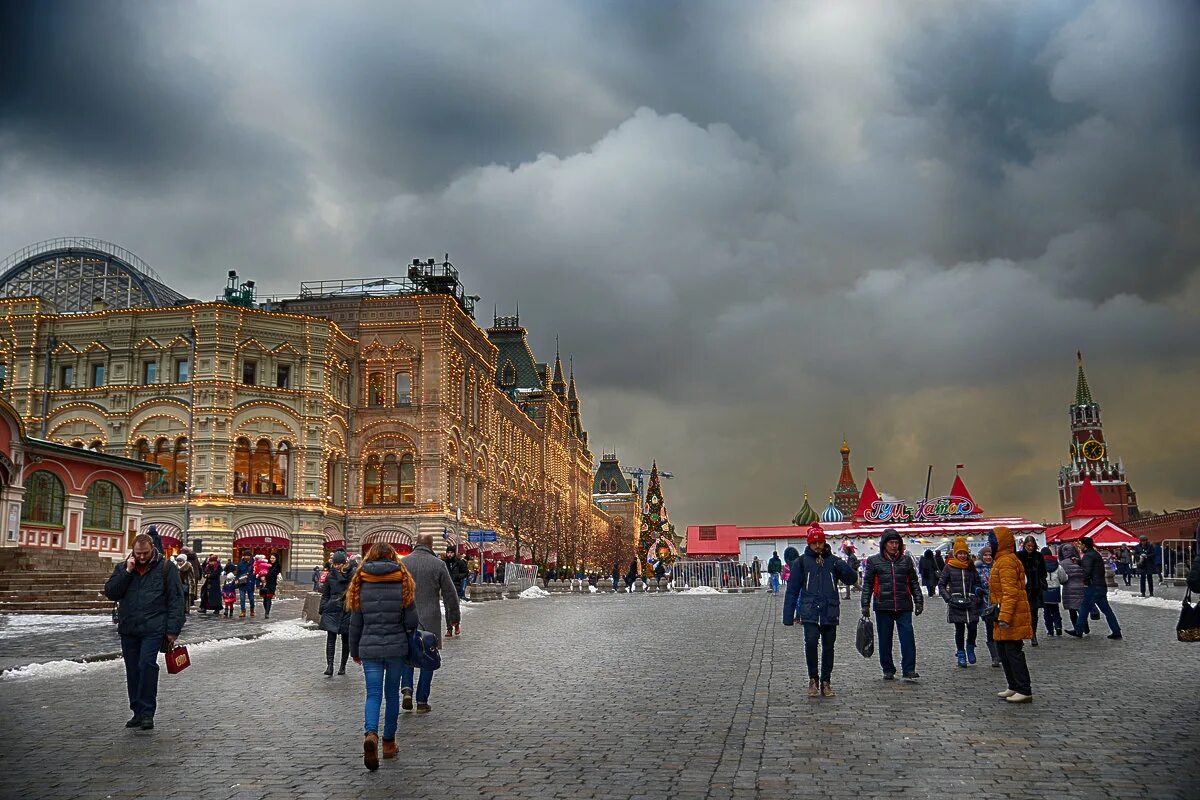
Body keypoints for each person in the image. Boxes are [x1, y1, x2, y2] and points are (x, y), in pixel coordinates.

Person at [347, 542, 421, 771]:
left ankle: (371, 734)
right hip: (396, 647)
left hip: (369, 647)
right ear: (393, 557)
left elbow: (355, 623)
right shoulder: (403, 580)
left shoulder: (361, 581)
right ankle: (389, 743)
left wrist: (354, 651)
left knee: (373, 694)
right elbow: (411, 621)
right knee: (391, 695)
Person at [103, 533, 185, 730]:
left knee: (147, 665)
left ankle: (147, 712)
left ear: (152, 549)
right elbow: (111, 592)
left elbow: (176, 600)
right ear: (133, 551)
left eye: (145, 553)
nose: (141, 557)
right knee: (132, 670)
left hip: (154, 627)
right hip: (129, 628)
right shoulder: (124, 567)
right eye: (138, 553)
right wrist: (127, 572)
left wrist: (173, 629)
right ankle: (137, 712)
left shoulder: (166, 568)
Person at [783, 523, 856, 697]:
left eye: (820, 542)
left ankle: (826, 681)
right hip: (810, 611)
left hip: (829, 610)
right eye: (814, 543)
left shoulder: (833, 562)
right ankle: (813, 679)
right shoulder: (801, 563)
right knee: (811, 644)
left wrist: (842, 566)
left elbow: (851, 579)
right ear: (808, 543)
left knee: (829, 647)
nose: (817, 546)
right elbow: (792, 590)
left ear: (824, 543)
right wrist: (788, 615)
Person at [402, 534, 461, 713]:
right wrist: (454, 618)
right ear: (431, 545)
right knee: (428, 656)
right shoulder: (439, 564)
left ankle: (407, 689)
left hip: (406, 616)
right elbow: (450, 594)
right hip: (430, 617)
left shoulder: (403, 563)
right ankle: (421, 701)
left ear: (416, 544)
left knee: (407, 653)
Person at [861, 529, 923, 681]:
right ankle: (887, 669)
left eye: (897, 543)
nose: (894, 546)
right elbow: (867, 584)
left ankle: (909, 669)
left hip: (904, 604)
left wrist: (919, 600)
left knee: (908, 638)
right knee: (885, 639)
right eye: (891, 543)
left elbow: (914, 582)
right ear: (884, 545)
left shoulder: (906, 561)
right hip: (883, 605)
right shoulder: (874, 561)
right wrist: (865, 604)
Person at [989, 527, 1034, 703]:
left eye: (991, 541)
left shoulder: (1006, 561)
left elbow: (1010, 592)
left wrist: (1005, 616)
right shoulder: (1002, 560)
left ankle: (1024, 688)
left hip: (1010, 615)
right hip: (1003, 612)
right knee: (1004, 651)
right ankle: (1013, 685)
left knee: (1013, 652)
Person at [938, 536, 982, 668]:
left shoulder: (971, 567)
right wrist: (948, 598)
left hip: (971, 602)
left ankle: (970, 647)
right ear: (955, 554)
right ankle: (961, 652)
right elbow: (941, 584)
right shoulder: (949, 567)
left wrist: (977, 594)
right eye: (960, 553)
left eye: (964, 553)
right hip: (956, 602)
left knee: (973, 627)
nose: (962, 556)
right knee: (959, 629)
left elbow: (977, 583)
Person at [1065, 537, 1122, 640]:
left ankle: (1078, 630)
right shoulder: (1095, 554)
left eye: (1080, 544)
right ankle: (1116, 630)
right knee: (1107, 610)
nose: (1079, 546)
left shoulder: (1088, 556)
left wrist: (1084, 581)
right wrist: (1078, 562)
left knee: (1084, 607)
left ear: (1084, 545)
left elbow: (1087, 571)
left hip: (1093, 586)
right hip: (1101, 586)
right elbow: (1091, 566)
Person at [321, 549, 356, 675]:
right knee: (331, 639)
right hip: (332, 609)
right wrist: (323, 608)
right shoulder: (330, 576)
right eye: (335, 564)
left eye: (338, 564)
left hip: (347, 609)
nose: (336, 566)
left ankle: (343, 666)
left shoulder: (352, 575)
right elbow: (325, 594)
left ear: (344, 563)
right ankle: (329, 666)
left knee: (345, 639)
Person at [1017, 535, 1047, 647]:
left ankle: (1033, 634)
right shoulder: (1019, 555)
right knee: (1022, 613)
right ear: (1024, 545)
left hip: (1035, 588)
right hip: (1022, 589)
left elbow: (1043, 571)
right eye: (1028, 546)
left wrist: (1041, 581)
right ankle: (1021, 635)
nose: (1030, 548)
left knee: (1034, 613)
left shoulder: (1039, 556)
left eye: (1032, 546)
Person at [975, 545, 1001, 667]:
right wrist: (978, 590)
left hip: (999, 602)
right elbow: (974, 584)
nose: (988, 557)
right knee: (990, 629)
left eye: (990, 555)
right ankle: (995, 656)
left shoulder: (998, 567)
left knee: (1000, 627)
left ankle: (1001, 652)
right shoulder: (978, 569)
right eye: (985, 555)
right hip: (986, 604)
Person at [1058, 543, 1090, 635]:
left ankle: (1077, 630)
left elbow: (1062, 577)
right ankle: (1085, 625)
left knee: (1072, 610)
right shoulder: (1080, 561)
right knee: (1081, 609)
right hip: (1081, 587)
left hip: (1069, 588)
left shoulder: (1062, 563)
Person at [1041, 546, 1067, 637]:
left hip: (1044, 591)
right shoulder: (1058, 565)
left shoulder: (1040, 565)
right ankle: (1058, 627)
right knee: (1055, 610)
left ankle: (1050, 630)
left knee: (1046, 612)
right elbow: (1063, 578)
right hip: (1055, 590)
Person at [235, 550, 256, 618]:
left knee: (251, 598)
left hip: (250, 583)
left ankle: (252, 610)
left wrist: (256, 582)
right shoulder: (241, 564)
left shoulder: (254, 564)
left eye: (248, 556)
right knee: (242, 598)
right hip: (242, 583)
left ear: (250, 556)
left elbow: (256, 573)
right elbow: (238, 573)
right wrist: (236, 580)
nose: (246, 557)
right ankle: (243, 611)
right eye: (245, 556)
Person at [260, 553, 282, 619]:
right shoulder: (266, 565)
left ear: (276, 559)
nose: (272, 559)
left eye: (273, 558)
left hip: (272, 584)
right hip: (265, 583)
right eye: (271, 558)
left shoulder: (278, 566)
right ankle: (266, 610)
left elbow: (277, 574)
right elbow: (262, 572)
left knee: (268, 598)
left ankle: (267, 613)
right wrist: (261, 577)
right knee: (264, 599)